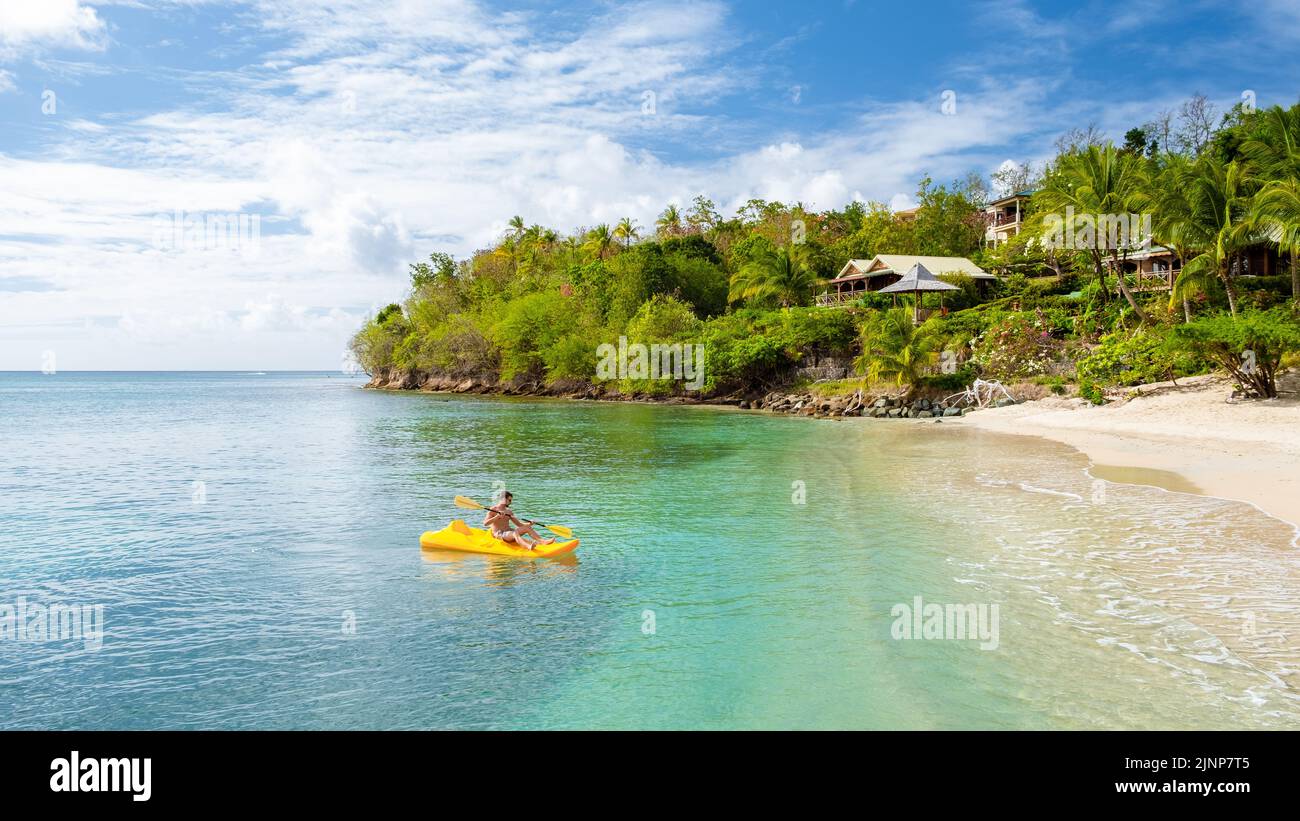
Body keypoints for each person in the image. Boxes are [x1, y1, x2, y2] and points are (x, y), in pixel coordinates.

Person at [484, 491, 554, 549]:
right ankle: (528, 546)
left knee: (527, 528)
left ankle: (543, 541)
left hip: (509, 532)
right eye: (509, 500)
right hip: (499, 534)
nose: (510, 502)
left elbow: (519, 524)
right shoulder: (493, 509)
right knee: (515, 533)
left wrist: (530, 524)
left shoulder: (509, 512)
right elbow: (485, 523)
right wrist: (496, 517)